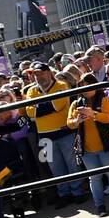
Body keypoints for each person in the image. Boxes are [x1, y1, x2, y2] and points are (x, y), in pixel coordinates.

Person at [24, 62, 88, 207]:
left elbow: (57, 106)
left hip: (65, 132)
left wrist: (39, 109)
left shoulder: (61, 85)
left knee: (72, 164)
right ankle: (64, 194)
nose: (37, 77)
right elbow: (29, 112)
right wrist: (46, 108)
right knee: (55, 167)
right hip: (45, 136)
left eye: (40, 73)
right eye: (34, 74)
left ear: (48, 72)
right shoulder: (31, 91)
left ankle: (77, 193)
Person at [66, 72, 109, 217]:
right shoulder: (76, 104)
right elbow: (69, 123)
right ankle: (100, 206)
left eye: (88, 86)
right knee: (94, 178)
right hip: (87, 150)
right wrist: (76, 122)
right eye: (82, 87)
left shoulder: (104, 99)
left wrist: (93, 114)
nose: (85, 89)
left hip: (106, 147)